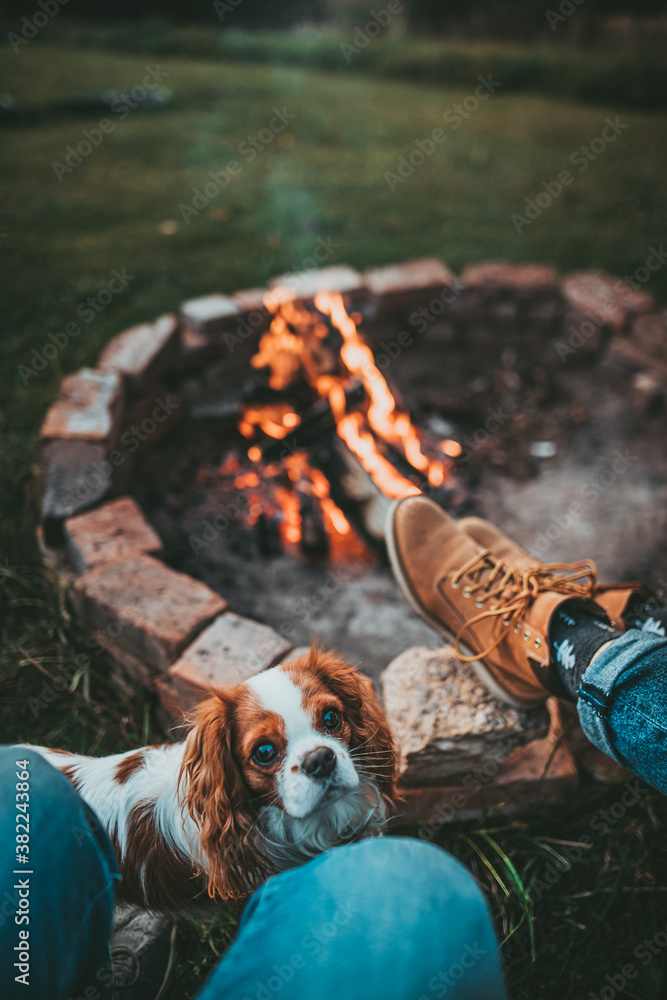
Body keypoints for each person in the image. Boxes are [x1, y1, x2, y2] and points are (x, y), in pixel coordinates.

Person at [2, 498, 665, 1000]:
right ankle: (595, 644)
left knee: (26, 784)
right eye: (267, 753)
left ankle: (589, 645)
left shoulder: (318, 761)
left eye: (328, 721)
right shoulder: (241, 827)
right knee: (403, 885)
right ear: (232, 772)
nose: (315, 755)